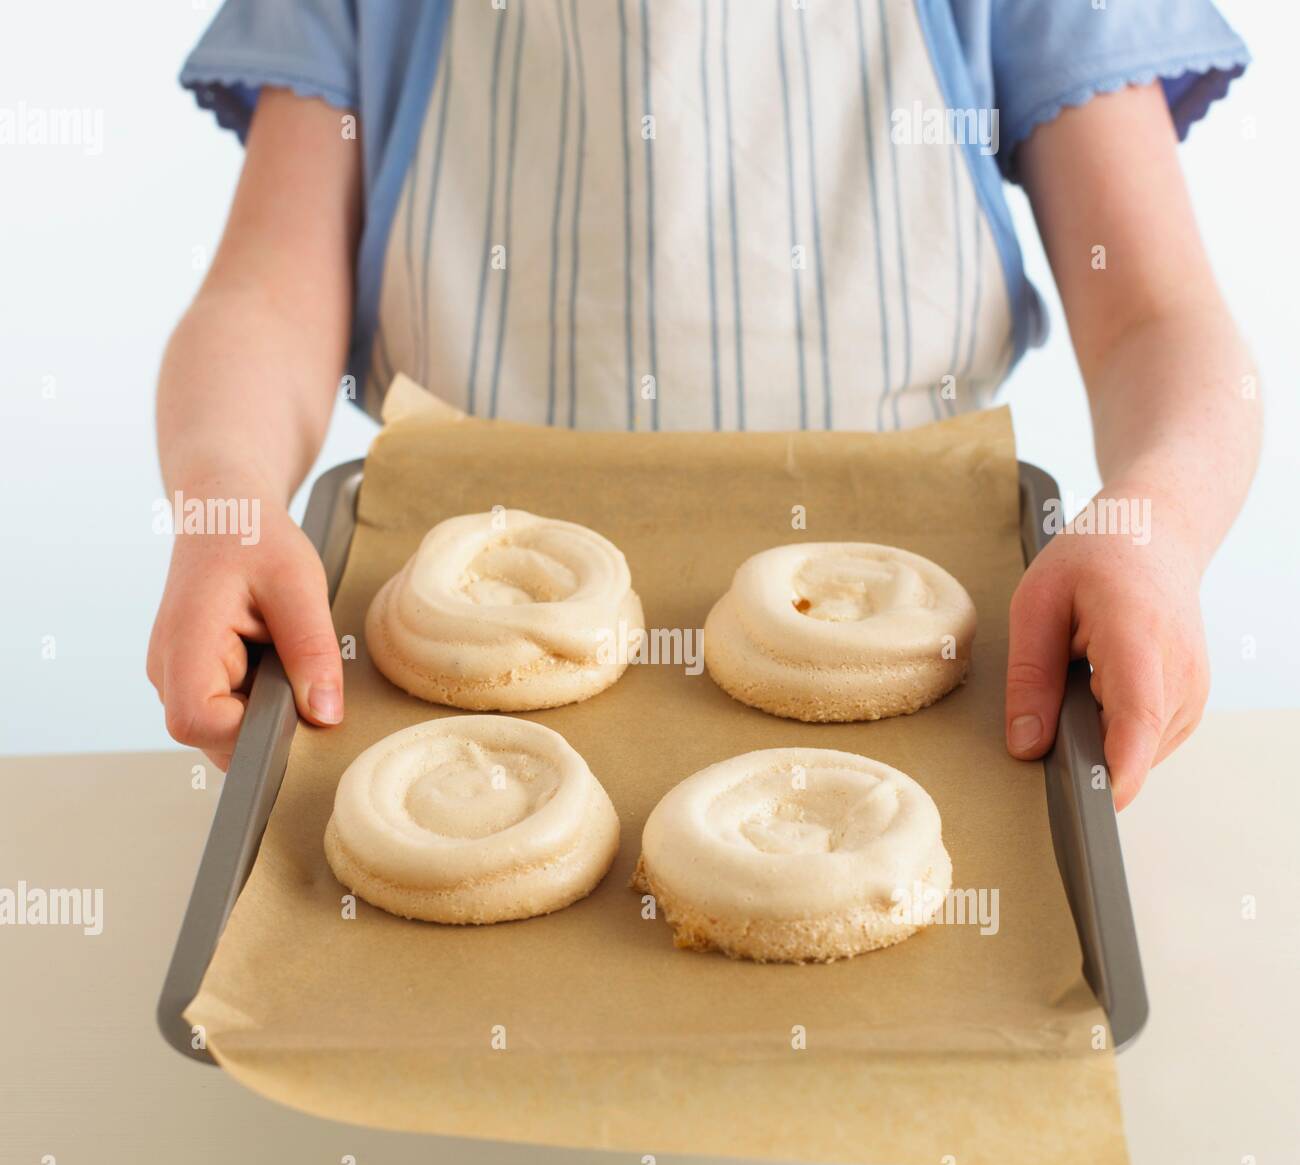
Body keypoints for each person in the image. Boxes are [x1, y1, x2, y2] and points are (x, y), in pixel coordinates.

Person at [149, 0, 1257, 808]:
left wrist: (1155, 520)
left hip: (914, 629)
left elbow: (1157, 319)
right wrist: (224, 494)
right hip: (448, 653)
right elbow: (262, 305)